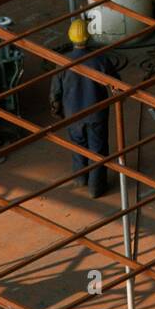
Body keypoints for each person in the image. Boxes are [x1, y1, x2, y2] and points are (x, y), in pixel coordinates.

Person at [49, 18, 120, 198]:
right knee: (98, 150)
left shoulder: (63, 62)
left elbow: (55, 92)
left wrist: (57, 111)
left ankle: (81, 179)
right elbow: (117, 84)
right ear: (88, 38)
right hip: (96, 113)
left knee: (78, 145)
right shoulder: (100, 60)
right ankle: (96, 188)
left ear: (71, 37)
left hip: (73, 115)